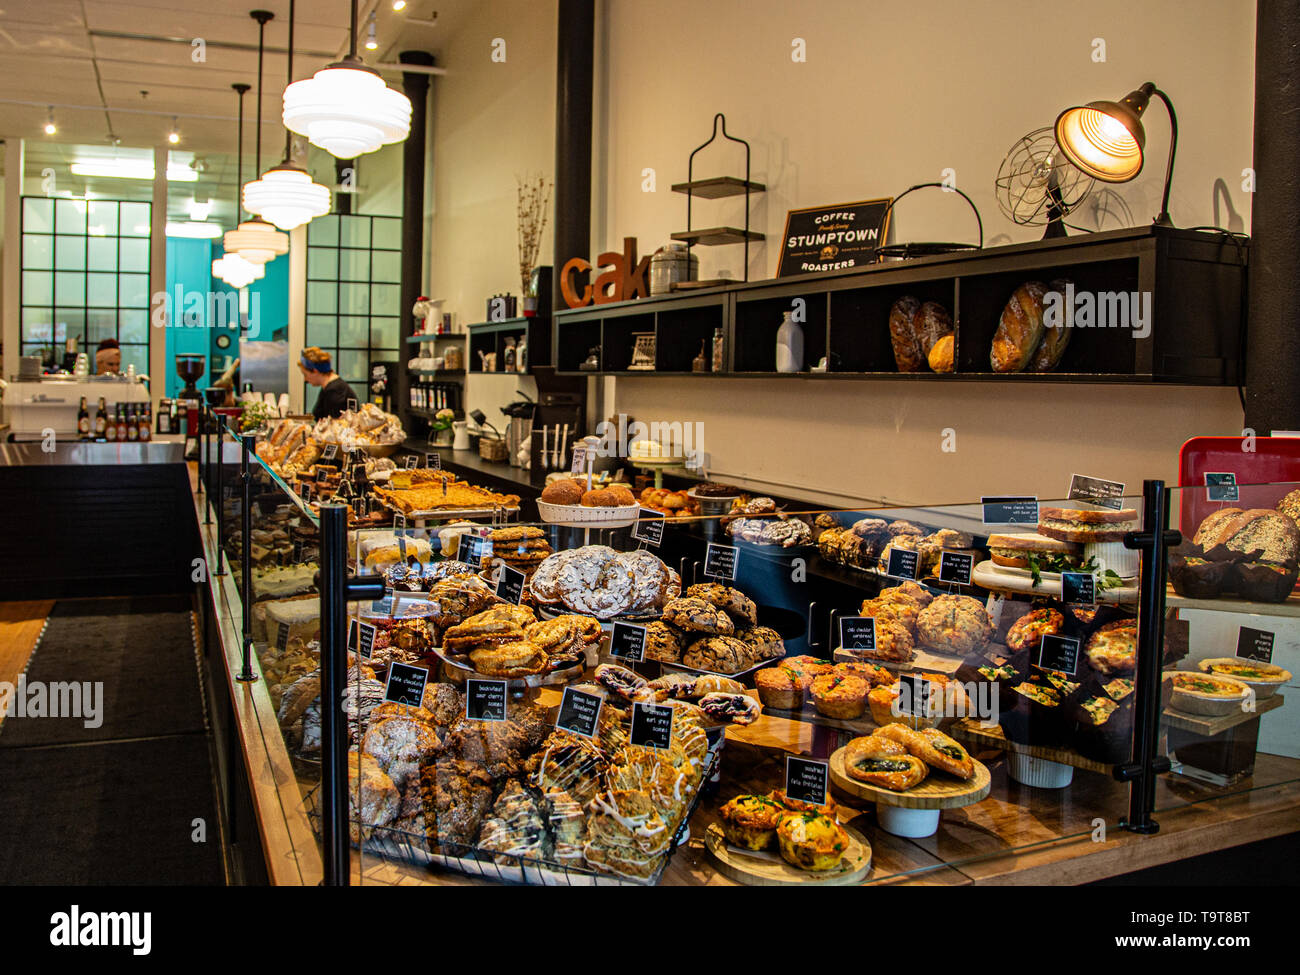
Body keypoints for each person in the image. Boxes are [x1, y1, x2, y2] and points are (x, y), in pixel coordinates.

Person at [298, 347, 357, 420]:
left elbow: (335, 427)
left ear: (315, 371)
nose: (305, 379)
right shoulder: (329, 387)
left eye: (305, 374)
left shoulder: (335, 392)